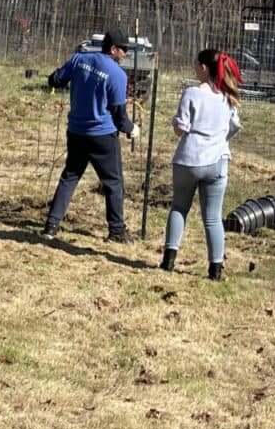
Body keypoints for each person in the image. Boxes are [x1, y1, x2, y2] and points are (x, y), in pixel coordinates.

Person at [43, 31, 138, 242]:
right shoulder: (117, 75)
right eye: (124, 50)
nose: (125, 55)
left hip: (76, 131)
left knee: (70, 176)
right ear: (113, 49)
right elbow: (119, 116)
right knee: (113, 182)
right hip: (102, 136)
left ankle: (51, 225)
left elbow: (56, 79)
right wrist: (132, 128)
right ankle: (116, 231)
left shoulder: (79, 59)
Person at [161, 49, 244, 279]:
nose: (194, 69)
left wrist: (175, 124)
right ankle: (215, 269)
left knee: (179, 207)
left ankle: (168, 260)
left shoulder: (192, 94)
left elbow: (181, 129)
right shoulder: (228, 97)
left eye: (196, 65)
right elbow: (235, 126)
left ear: (204, 68)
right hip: (218, 163)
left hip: (189, 161)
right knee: (213, 218)